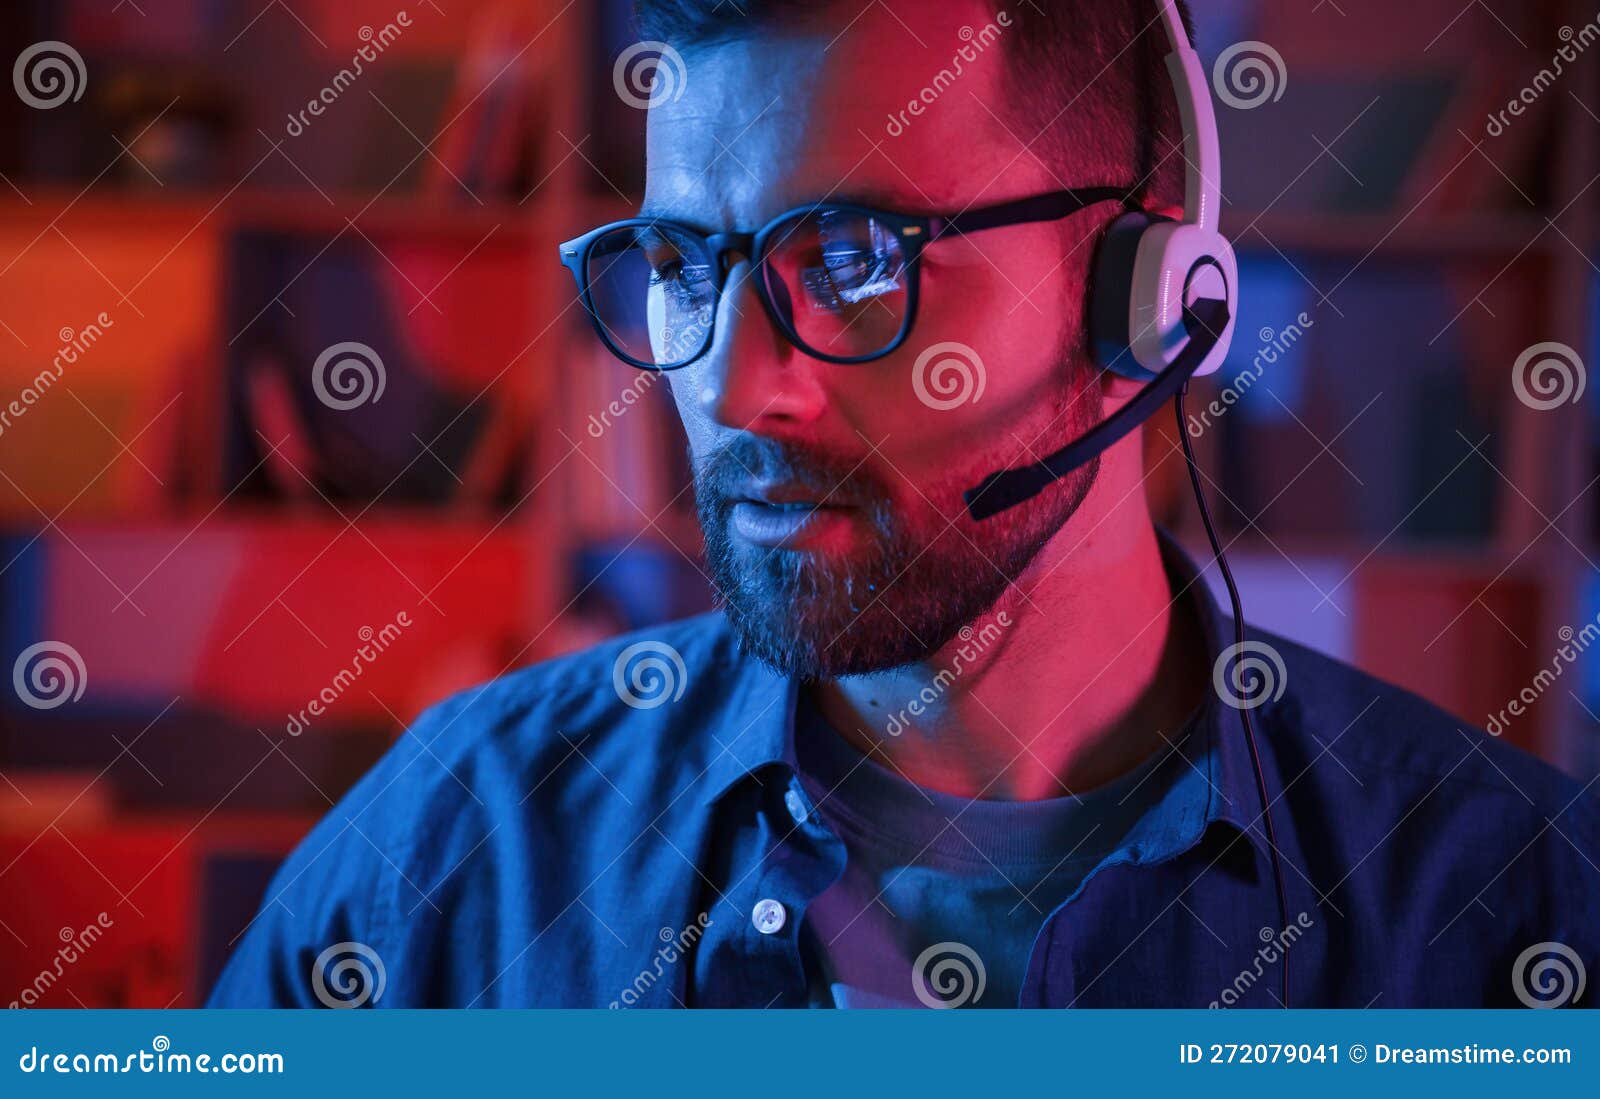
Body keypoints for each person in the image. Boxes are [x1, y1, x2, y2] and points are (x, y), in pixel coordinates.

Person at [211, 0, 1598, 1009]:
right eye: (683, 266)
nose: (736, 387)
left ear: (1145, 295)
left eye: (855, 259)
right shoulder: (454, 853)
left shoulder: (1511, 910)